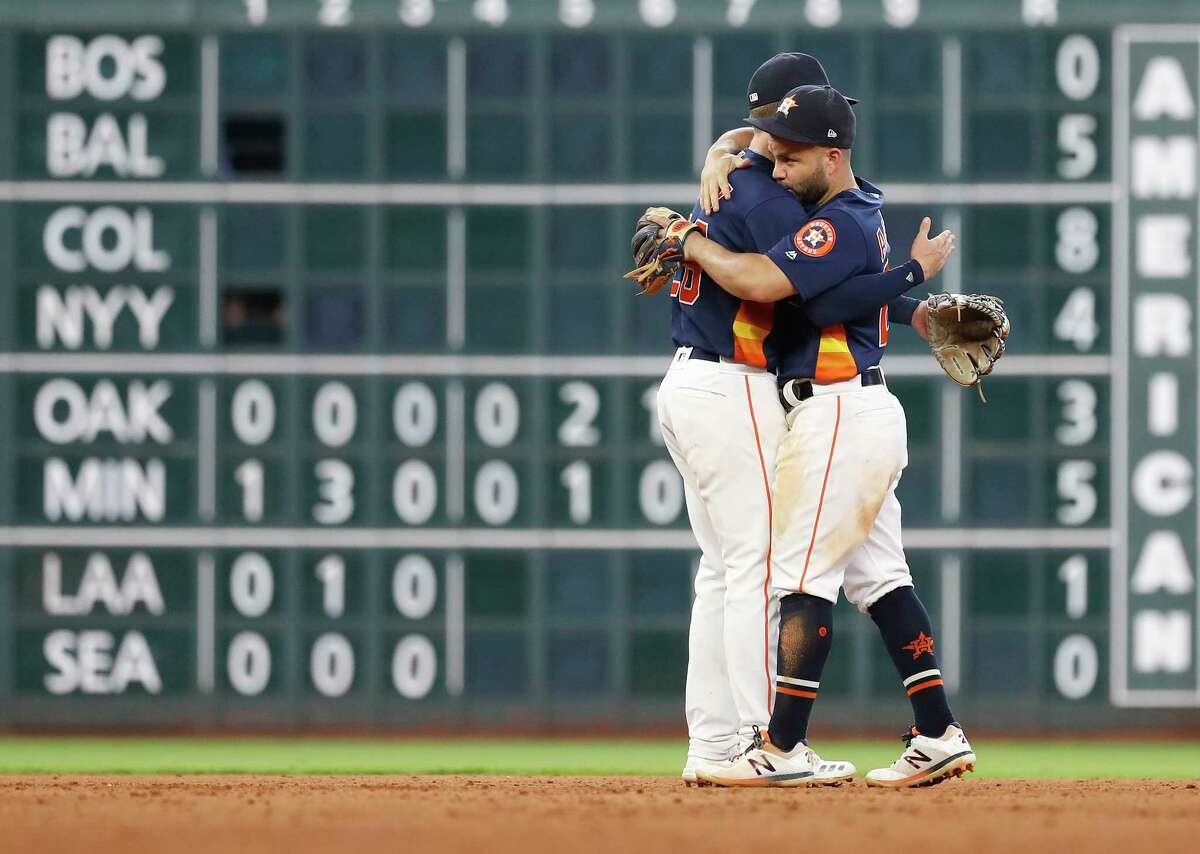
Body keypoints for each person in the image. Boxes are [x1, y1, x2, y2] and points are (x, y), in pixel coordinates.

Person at [642, 84, 976, 788]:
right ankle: (937, 729)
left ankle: (778, 745)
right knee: (878, 578)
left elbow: (795, 290)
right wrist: (908, 299)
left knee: (787, 576)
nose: (772, 156)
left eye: (787, 150)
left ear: (831, 151)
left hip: (834, 412)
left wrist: (690, 237)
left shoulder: (828, 216)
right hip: (839, 408)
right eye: (768, 141)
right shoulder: (832, 206)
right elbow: (829, 289)